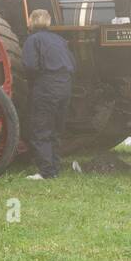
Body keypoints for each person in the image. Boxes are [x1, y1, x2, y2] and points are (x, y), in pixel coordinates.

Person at [22, 10, 76, 180]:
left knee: (41, 129)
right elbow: (73, 64)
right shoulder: (59, 40)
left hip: (46, 86)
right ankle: (54, 168)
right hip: (65, 85)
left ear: (31, 21)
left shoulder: (33, 40)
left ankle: (46, 172)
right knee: (55, 130)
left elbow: (30, 66)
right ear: (48, 22)